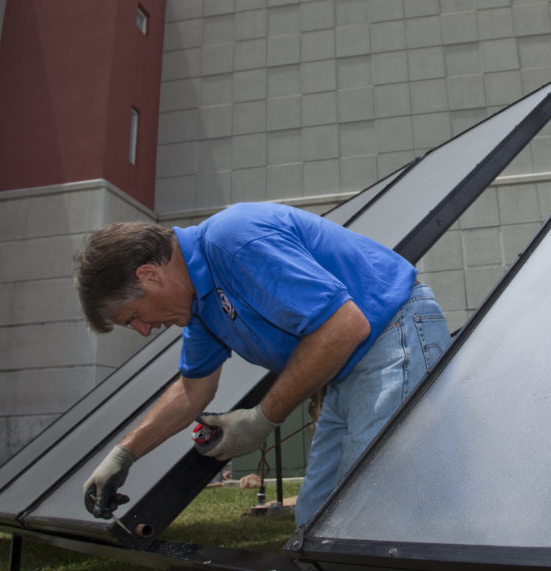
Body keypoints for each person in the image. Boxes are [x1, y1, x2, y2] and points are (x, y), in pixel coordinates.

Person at [75, 202, 451, 527]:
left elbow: (344, 325)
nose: (143, 331)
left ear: (150, 275)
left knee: (369, 510)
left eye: (132, 317)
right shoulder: (200, 306)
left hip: (393, 334)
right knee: (317, 518)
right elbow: (193, 389)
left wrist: (261, 419)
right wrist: (124, 454)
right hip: (349, 370)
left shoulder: (233, 240)